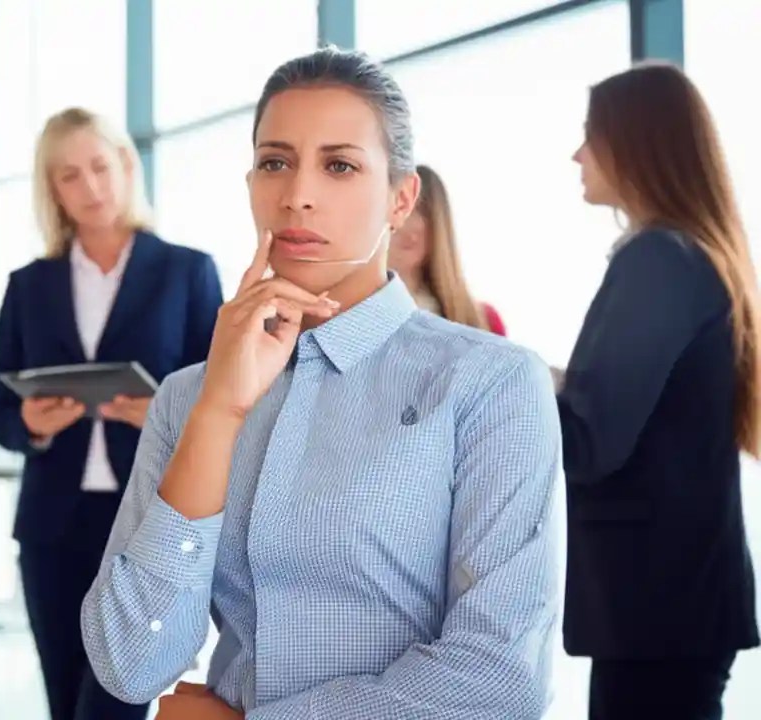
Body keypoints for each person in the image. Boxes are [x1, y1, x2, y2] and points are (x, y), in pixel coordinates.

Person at [80, 47, 561, 719]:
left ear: (401, 198)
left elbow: (500, 679)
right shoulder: (188, 398)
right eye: (275, 162)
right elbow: (131, 663)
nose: (296, 194)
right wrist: (219, 411)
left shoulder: (490, 383)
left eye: (339, 166)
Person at [0, 107, 223, 720]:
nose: (89, 187)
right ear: (52, 190)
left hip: (149, 520)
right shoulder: (28, 285)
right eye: (69, 176)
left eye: (99, 166)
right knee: (63, 698)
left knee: (114, 700)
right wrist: (32, 425)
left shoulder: (186, 271)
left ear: (125, 167)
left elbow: (223, 397)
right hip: (52, 526)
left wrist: (161, 415)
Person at [559, 62, 760, 720]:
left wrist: (503, 382)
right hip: (673, 605)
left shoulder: (657, 260)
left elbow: (590, 438)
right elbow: (638, 407)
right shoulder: (686, 257)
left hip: (657, 606)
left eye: (591, 135)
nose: (578, 153)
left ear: (637, 143)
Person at [389, 164, 505, 334]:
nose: (412, 225)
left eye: (424, 211)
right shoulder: (347, 316)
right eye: (400, 207)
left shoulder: (483, 321)